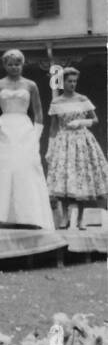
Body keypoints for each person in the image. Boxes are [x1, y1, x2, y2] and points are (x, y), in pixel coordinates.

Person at [0, 50, 54, 229]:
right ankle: (0, 215)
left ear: (22, 65)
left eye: (17, 64)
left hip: (24, 129)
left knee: (25, 169)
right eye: (10, 64)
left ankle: (30, 216)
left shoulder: (31, 85)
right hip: (3, 129)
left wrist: (36, 135)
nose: (14, 67)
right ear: (5, 65)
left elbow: (39, 113)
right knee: (3, 169)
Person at [45, 66, 108, 228]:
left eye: (74, 81)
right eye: (69, 81)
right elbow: (53, 126)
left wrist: (81, 122)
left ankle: (80, 218)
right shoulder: (57, 102)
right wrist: (50, 147)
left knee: (81, 177)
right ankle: (65, 216)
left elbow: (95, 120)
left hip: (81, 140)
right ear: (62, 82)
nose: (72, 84)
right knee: (65, 177)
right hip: (64, 140)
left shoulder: (82, 99)